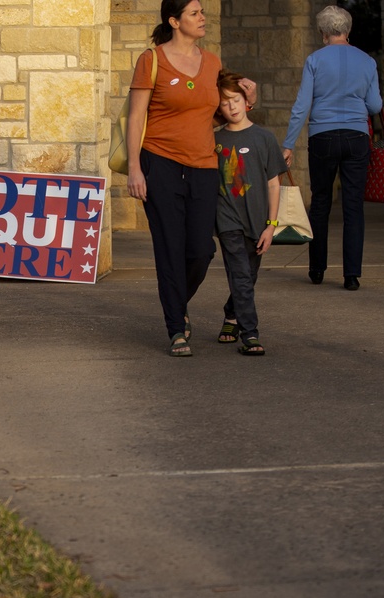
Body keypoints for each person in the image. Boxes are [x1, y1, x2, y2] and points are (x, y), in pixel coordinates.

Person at [125, 0, 253, 357]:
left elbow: (217, 112)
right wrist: (135, 168)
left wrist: (248, 100)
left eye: (201, 12)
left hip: (203, 166)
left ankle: (176, 302)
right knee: (169, 246)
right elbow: (136, 118)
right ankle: (175, 328)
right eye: (194, 13)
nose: (202, 18)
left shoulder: (211, 62)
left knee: (200, 250)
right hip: (160, 163)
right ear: (174, 20)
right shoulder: (152, 61)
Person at [282, 5, 382, 291]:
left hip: (323, 137)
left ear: (323, 32)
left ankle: (316, 269)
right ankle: (351, 275)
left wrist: (289, 144)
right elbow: (374, 105)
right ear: (348, 30)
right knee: (353, 206)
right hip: (356, 137)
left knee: (321, 202)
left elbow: (302, 106)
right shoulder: (367, 61)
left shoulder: (314, 60)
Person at [213, 70, 288, 356]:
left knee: (247, 275)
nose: (231, 106)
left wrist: (271, 225)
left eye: (235, 99)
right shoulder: (215, 141)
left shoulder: (264, 138)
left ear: (247, 101)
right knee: (241, 274)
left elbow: (273, 184)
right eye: (224, 102)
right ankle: (251, 334)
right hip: (227, 218)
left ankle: (231, 315)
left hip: (257, 220)